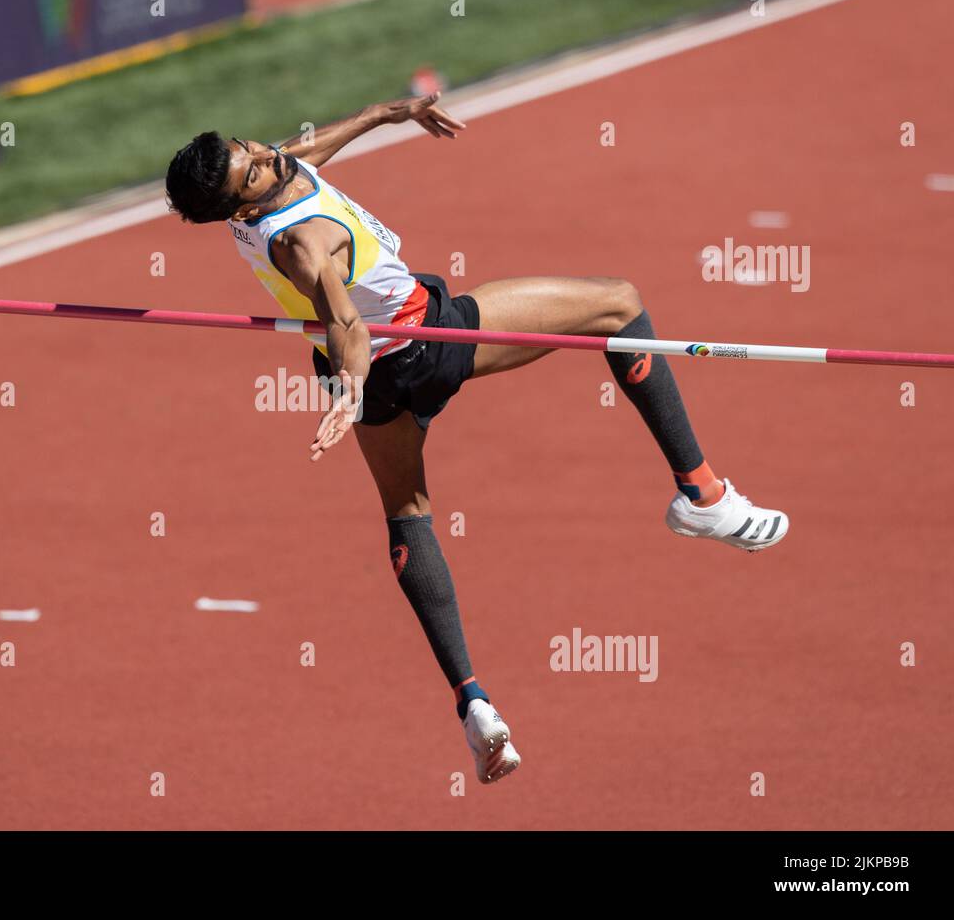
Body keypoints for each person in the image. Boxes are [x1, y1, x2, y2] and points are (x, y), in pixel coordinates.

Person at [164, 93, 788, 784]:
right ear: (244, 206)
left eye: (247, 147)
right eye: (248, 170)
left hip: (376, 385)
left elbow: (297, 160)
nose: (261, 155)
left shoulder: (255, 193)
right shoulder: (305, 243)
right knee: (618, 302)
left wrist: (381, 116)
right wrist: (348, 383)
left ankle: (474, 706)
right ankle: (702, 494)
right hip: (424, 341)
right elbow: (346, 319)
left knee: (407, 512)